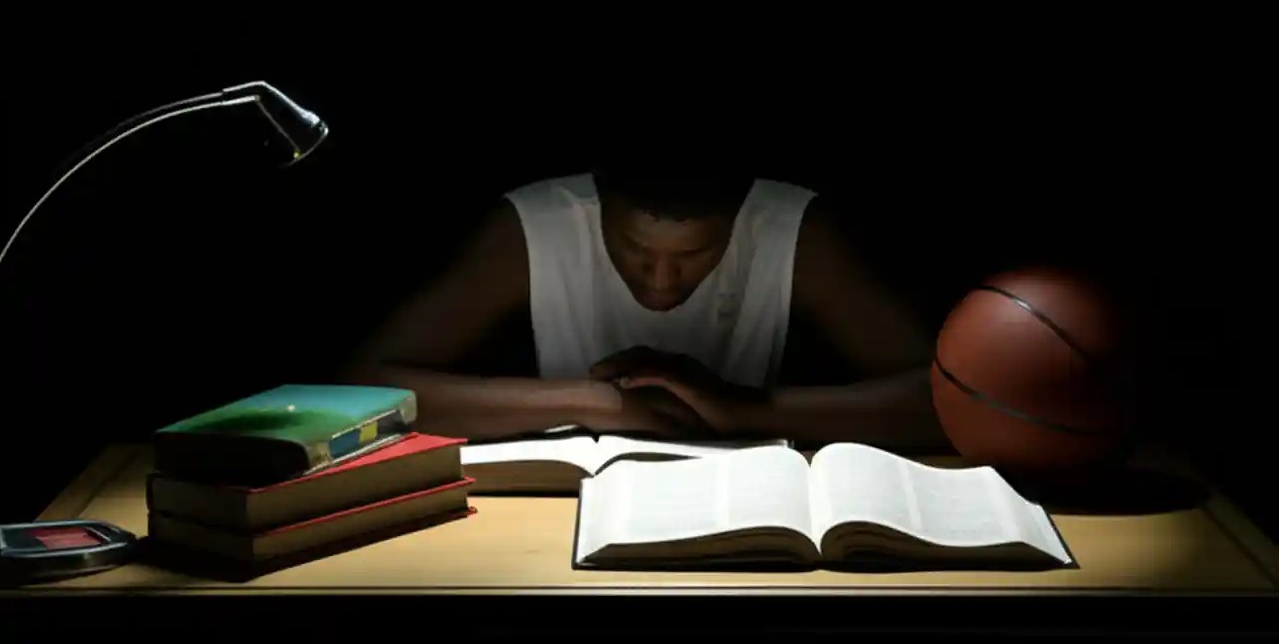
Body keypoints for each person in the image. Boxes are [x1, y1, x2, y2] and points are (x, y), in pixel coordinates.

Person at [341, 167, 949, 450]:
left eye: (698, 255)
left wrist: (743, 411)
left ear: (739, 218)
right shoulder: (538, 227)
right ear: (599, 204)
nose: (660, 285)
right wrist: (593, 402)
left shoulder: (794, 230)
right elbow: (362, 385)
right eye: (632, 251)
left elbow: (944, 399)